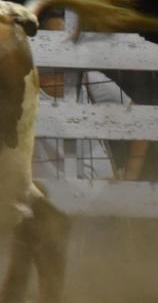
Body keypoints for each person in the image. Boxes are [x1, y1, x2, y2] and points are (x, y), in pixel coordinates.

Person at [34, 12, 148, 181]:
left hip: (98, 193)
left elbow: (143, 122)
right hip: (49, 198)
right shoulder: (26, 87)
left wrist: (129, 176)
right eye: (54, 38)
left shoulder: (89, 80)